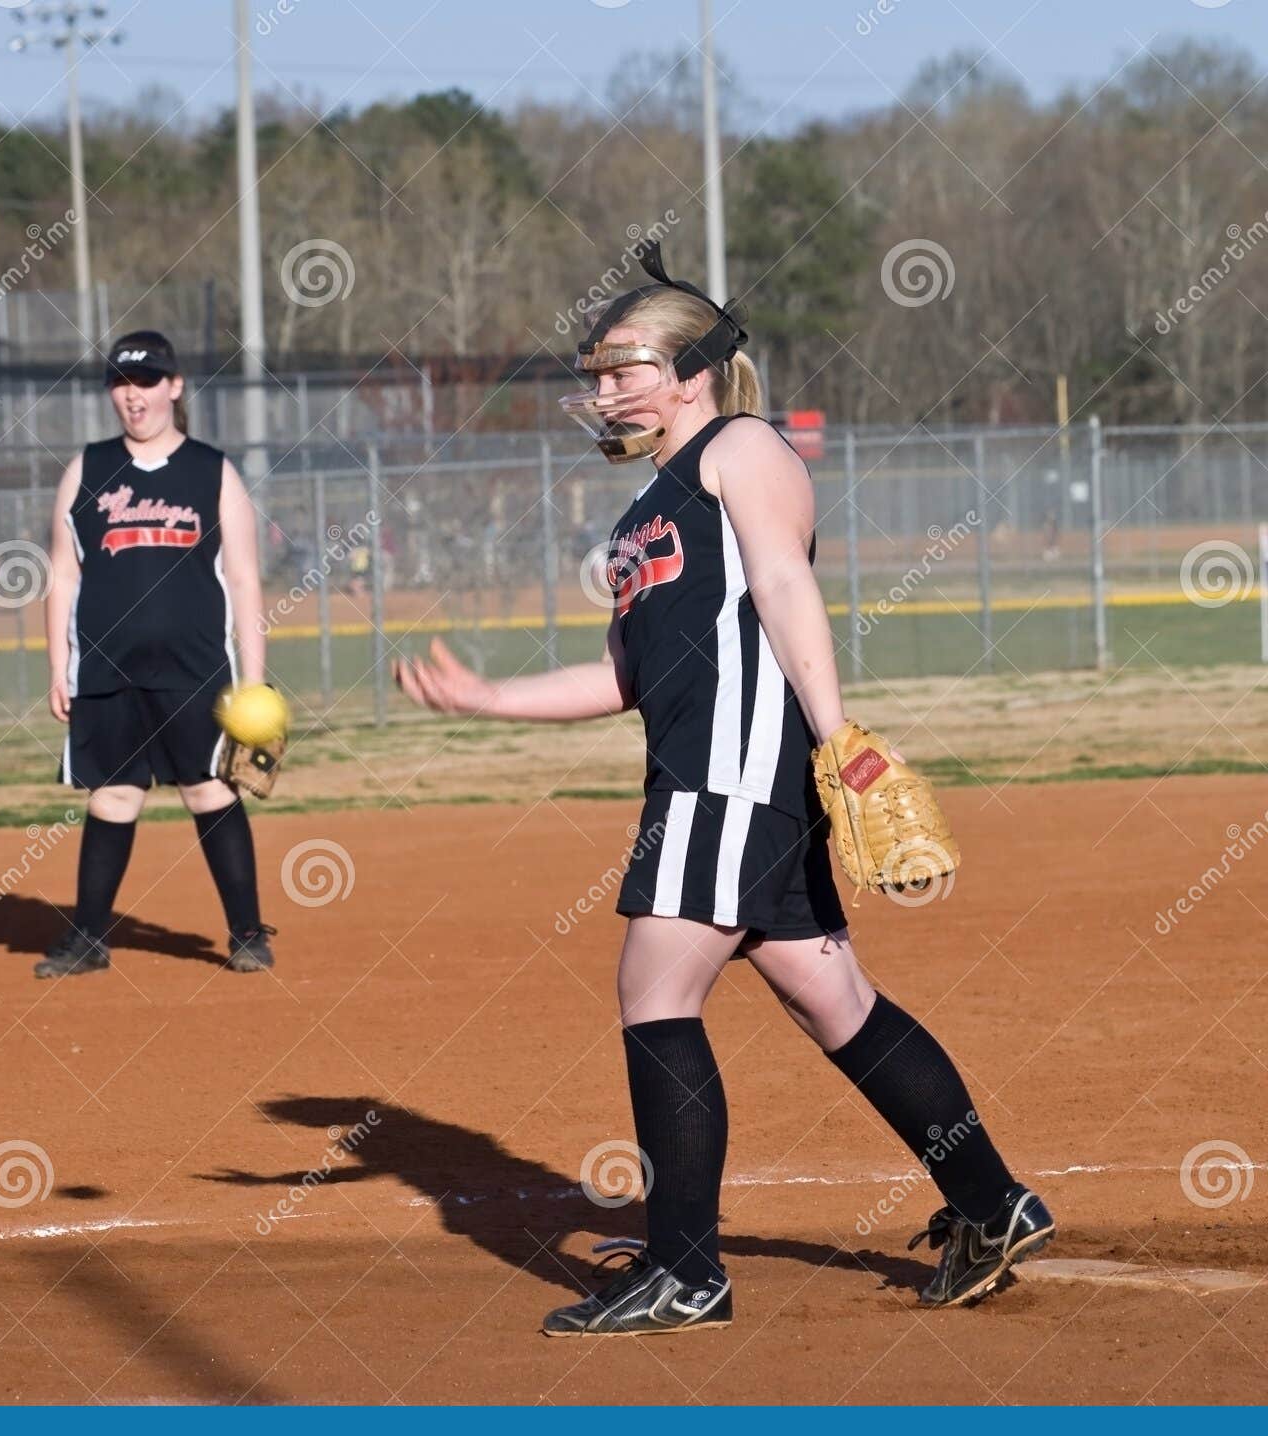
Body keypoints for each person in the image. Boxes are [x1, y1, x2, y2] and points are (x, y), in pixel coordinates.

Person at [394, 242, 1053, 1336]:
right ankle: (992, 1201)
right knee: (830, 998)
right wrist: (485, 697)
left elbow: (786, 582)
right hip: (714, 775)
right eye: (597, 374)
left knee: (653, 987)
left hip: (733, 775)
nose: (602, 391)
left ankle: (686, 1268)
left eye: (623, 369)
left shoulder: (740, 446)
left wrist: (838, 734)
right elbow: (623, 674)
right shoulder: (644, 508)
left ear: (693, 368)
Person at [36, 329, 275, 979]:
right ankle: (88, 937)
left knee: (210, 792)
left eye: (146, 381)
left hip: (195, 669)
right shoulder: (86, 469)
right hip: (107, 667)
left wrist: (254, 681)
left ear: (174, 386)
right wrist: (57, 666)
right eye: (120, 382)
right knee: (111, 798)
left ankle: (248, 934)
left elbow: (246, 578)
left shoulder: (212, 471)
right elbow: (63, 575)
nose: (132, 395)